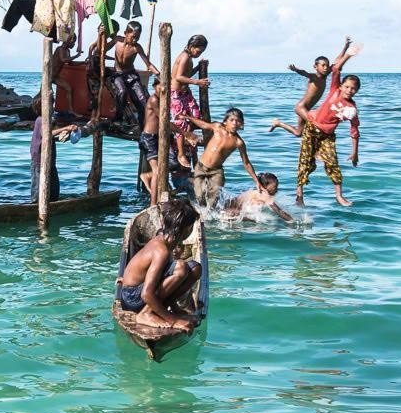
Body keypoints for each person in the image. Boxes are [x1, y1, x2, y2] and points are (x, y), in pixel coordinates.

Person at [117, 198, 203, 332]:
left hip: (139, 293)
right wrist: (173, 321)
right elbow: (146, 294)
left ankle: (169, 306)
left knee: (195, 268)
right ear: (187, 228)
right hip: (132, 297)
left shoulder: (166, 242)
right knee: (180, 268)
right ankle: (146, 314)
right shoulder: (160, 250)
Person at [297, 57, 361, 207]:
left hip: (327, 136)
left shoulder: (351, 109)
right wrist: (348, 55)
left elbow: (355, 131)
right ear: (341, 86)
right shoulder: (334, 91)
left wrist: (355, 153)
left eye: (353, 89)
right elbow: (337, 69)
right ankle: (299, 194)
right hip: (312, 130)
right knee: (305, 161)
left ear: (356, 91)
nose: (349, 90)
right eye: (346, 87)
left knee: (332, 163)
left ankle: (339, 196)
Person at [177, 107, 260, 209]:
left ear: (241, 124)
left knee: (213, 200)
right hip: (201, 167)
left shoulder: (238, 142)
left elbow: (246, 163)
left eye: (238, 121)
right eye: (232, 120)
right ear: (225, 122)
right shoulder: (218, 127)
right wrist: (187, 117)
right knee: (199, 197)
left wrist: (256, 180)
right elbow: (203, 124)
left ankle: (209, 216)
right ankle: (192, 181)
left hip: (216, 172)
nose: (234, 123)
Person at [270, 37, 356, 136]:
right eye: (323, 65)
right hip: (301, 107)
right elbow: (305, 73)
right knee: (316, 125)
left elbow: (337, 62)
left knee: (298, 133)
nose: (325, 67)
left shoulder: (326, 73)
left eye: (327, 65)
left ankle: (278, 123)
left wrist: (345, 47)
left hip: (307, 109)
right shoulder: (314, 77)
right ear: (315, 67)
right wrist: (296, 70)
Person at [30, 94, 83, 202]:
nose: (53, 107)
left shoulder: (46, 120)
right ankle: (36, 206)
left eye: (52, 104)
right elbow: (47, 134)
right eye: (50, 104)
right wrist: (67, 128)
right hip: (40, 161)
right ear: (42, 107)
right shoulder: (41, 120)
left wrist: (63, 132)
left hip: (49, 160)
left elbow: (50, 134)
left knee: (54, 190)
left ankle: (52, 203)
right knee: (38, 191)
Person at [110, 21, 160, 125]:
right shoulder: (117, 40)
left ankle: (143, 124)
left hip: (131, 75)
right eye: (133, 36)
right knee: (122, 91)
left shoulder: (137, 47)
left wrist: (159, 74)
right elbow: (102, 49)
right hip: (117, 74)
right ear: (126, 33)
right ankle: (118, 118)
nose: (135, 39)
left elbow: (148, 64)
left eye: (137, 37)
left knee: (142, 99)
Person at [171, 34, 209, 168]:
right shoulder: (185, 56)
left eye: (202, 52)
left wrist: (199, 68)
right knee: (180, 123)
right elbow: (178, 77)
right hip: (177, 94)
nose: (199, 54)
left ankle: (188, 135)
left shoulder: (190, 57)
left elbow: (186, 74)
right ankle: (181, 154)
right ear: (192, 47)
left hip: (186, 93)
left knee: (196, 116)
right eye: (198, 51)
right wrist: (197, 82)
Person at [222, 172, 294, 223]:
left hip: (227, 207)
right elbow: (278, 211)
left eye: (277, 187)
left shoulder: (255, 191)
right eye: (274, 187)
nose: (277, 189)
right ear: (265, 186)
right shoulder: (265, 195)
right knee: (256, 220)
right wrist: (292, 221)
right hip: (232, 210)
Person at [52, 33, 77, 112]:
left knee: (68, 88)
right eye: (73, 42)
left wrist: (84, 62)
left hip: (56, 76)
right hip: (49, 76)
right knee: (46, 93)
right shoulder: (60, 49)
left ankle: (70, 110)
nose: (74, 44)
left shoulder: (67, 51)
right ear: (68, 40)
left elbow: (71, 63)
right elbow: (63, 59)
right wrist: (76, 56)